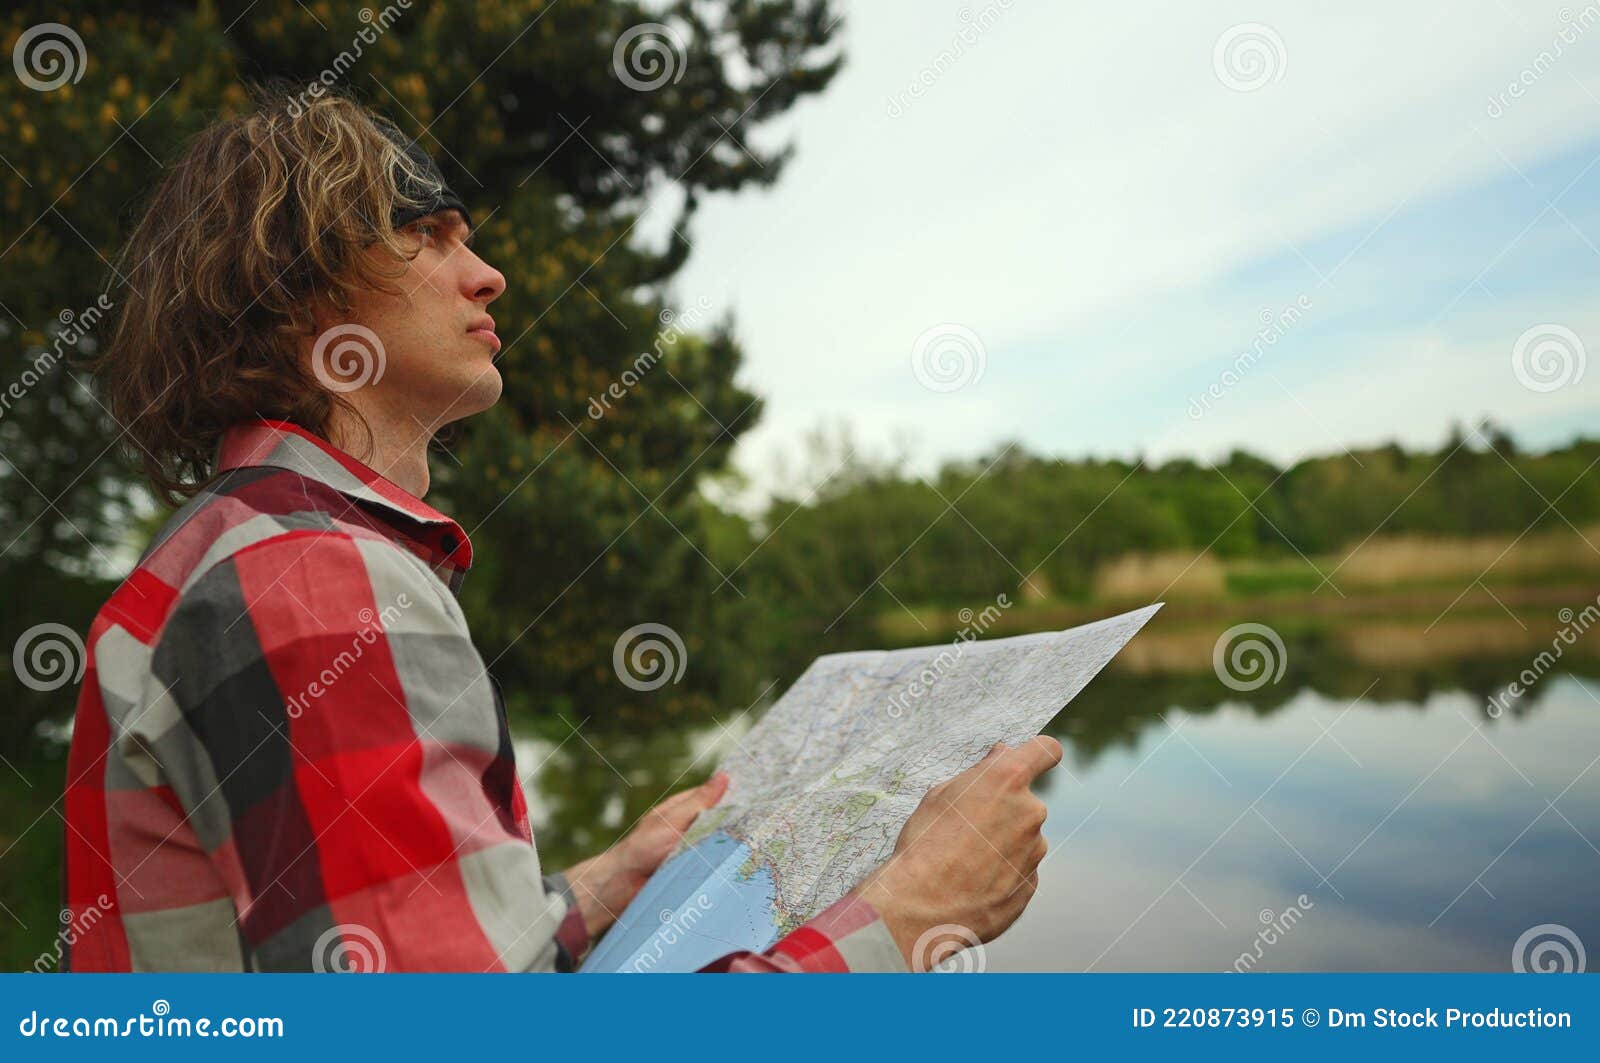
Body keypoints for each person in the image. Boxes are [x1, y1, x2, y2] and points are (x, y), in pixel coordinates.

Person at [62, 87, 1059, 973]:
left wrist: (608, 881)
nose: (488, 274)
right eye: (434, 234)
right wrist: (908, 914)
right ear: (304, 296)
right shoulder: (316, 583)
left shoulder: (242, 550)